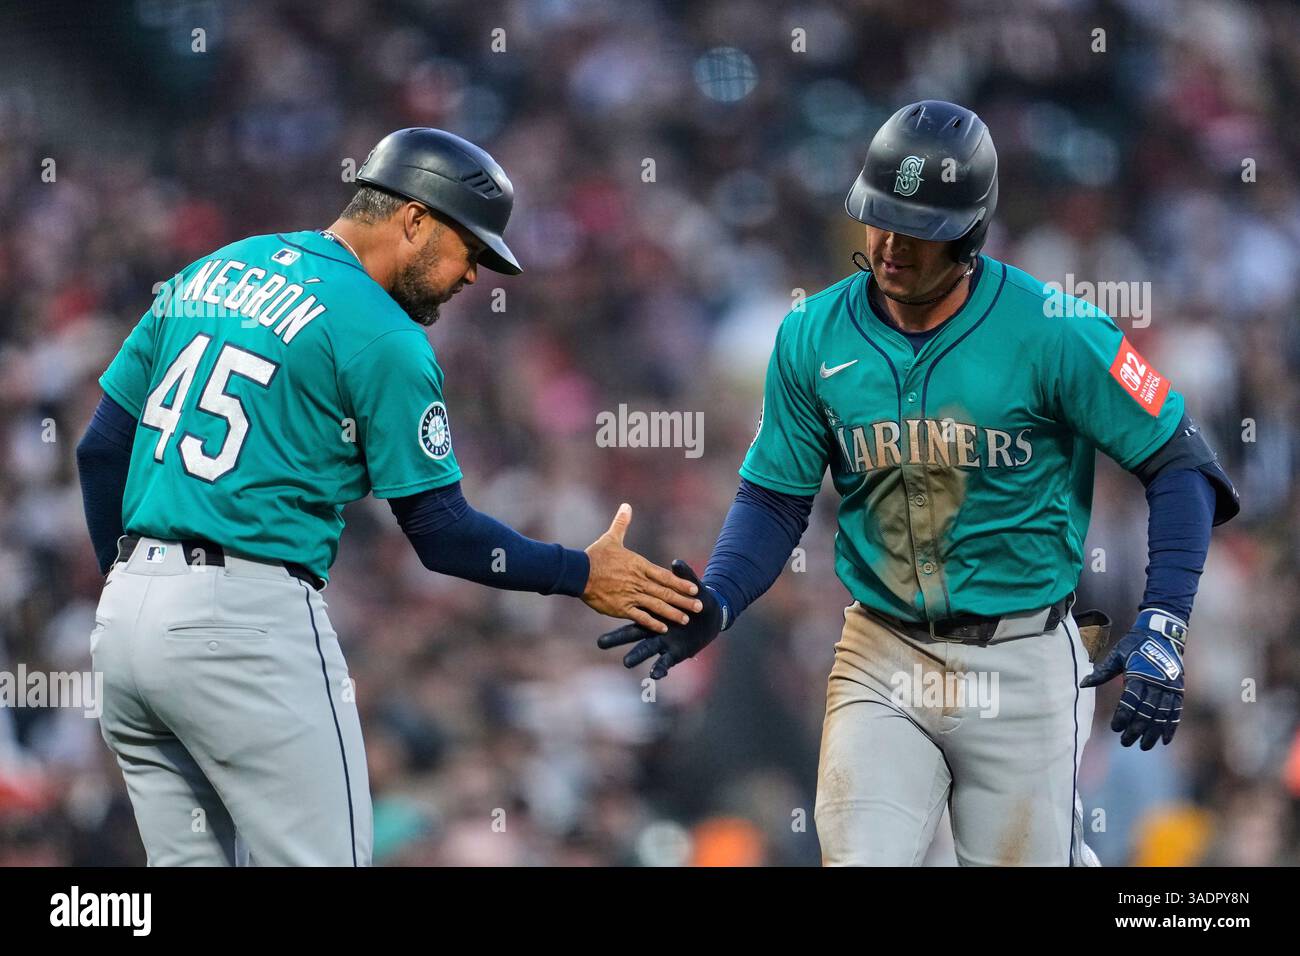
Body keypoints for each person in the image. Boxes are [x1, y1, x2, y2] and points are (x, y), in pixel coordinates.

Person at [597, 101, 1239, 866]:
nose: (891, 245)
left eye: (917, 230)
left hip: (1024, 655)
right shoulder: (813, 332)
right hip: (883, 651)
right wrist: (721, 598)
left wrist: (1165, 625)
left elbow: (1181, 463)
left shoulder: (1053, 328)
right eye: (880, 219)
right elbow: (775, 496)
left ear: (969, 236)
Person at [76, 128, 700, 866]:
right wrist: (579, 573)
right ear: (414, 220)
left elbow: (99, 448)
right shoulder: (383, 334)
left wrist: (131, 580)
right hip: (245, 624)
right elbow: (441, 533)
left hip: (127, 627)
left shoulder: (212, 270)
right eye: (472, 251)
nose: (475, 277)